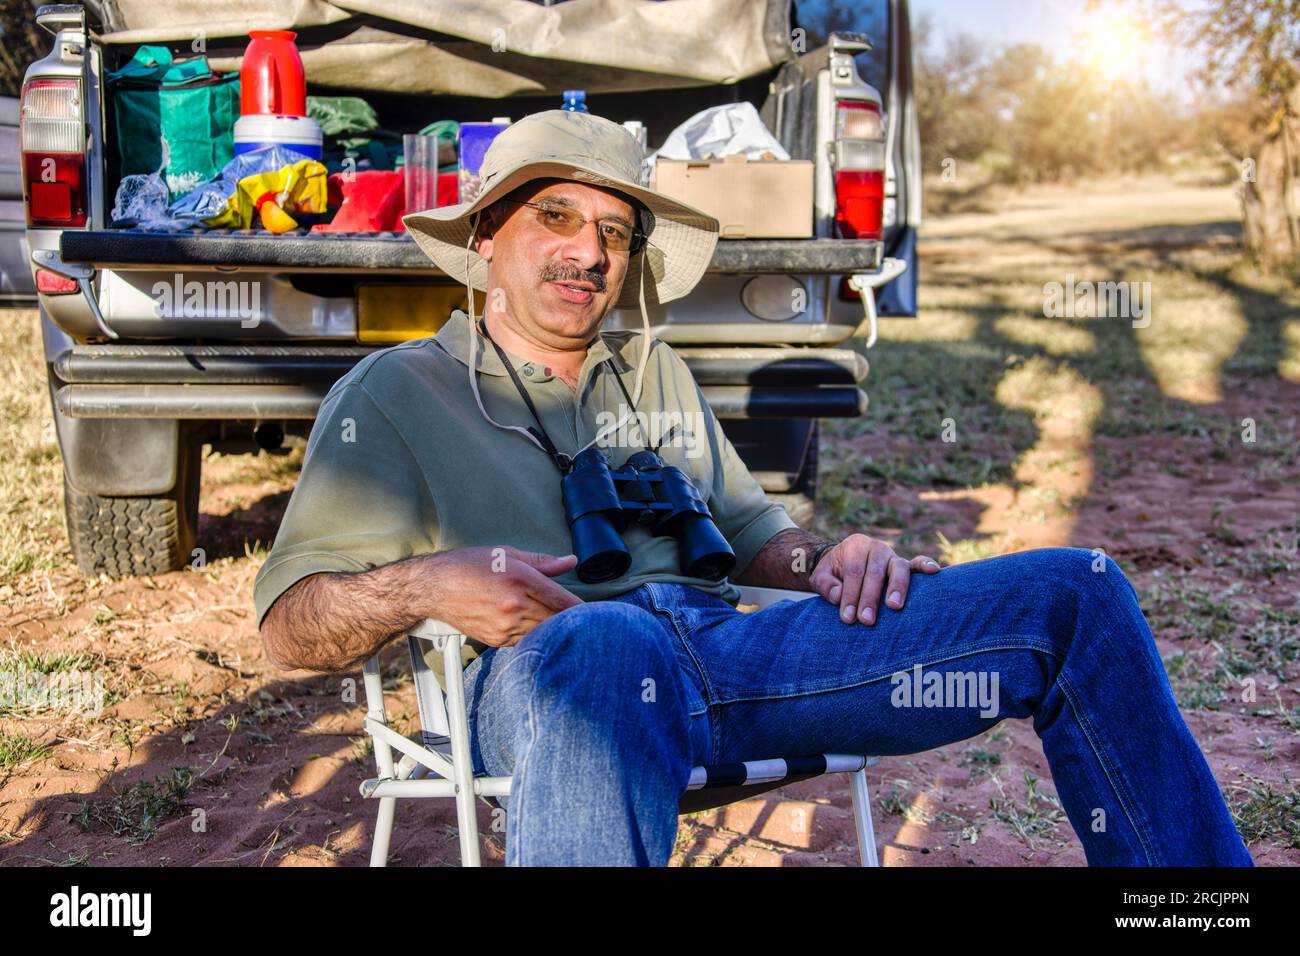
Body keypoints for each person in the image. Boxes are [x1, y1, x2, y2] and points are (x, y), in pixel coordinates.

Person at [254, 109, 1253, 867]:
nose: (589, 252)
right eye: (554, 215)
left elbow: (749, 536)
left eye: (615, 230)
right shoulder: (394, 391)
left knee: (1074, 591)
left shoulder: (654, 374)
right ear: (484, 236)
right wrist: (427, 583)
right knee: (605, 634)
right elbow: (287, 628)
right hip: (547, 675)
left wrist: (828, 560)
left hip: (734, 657)